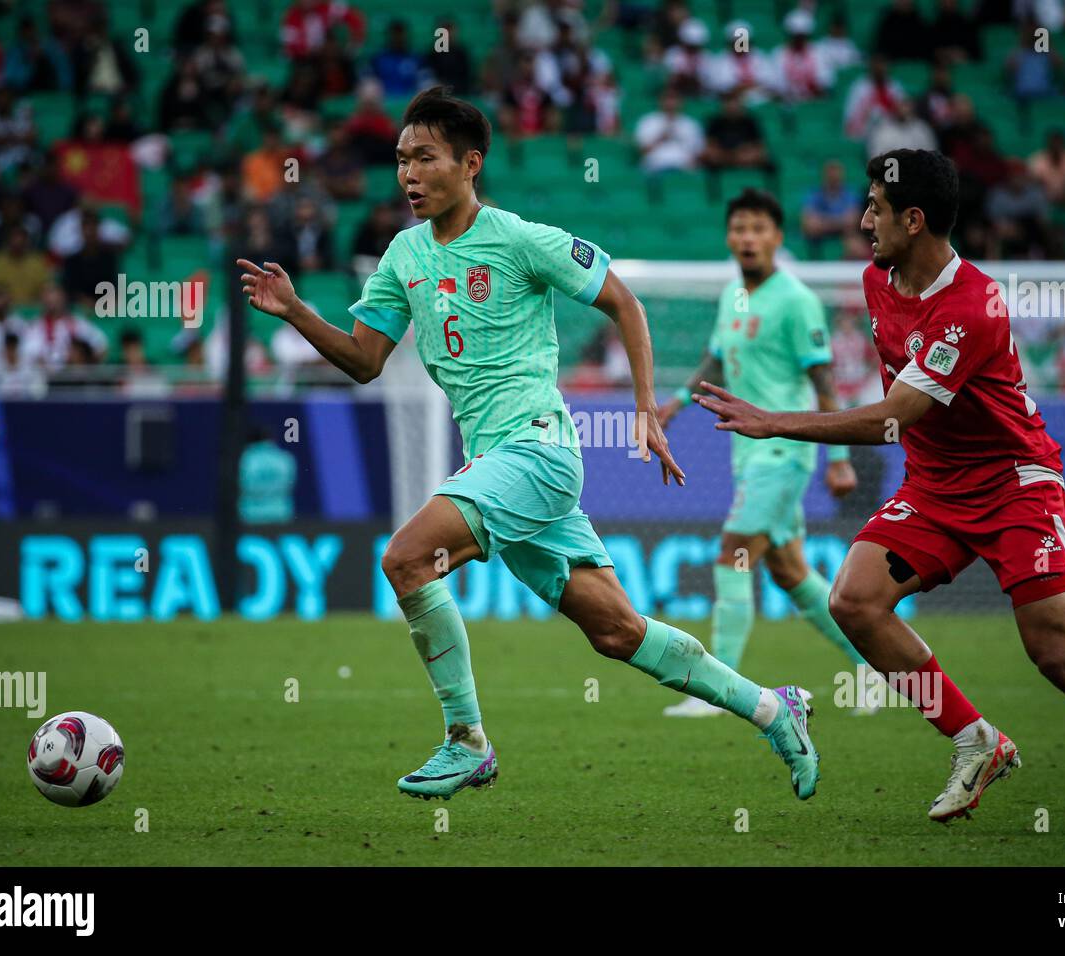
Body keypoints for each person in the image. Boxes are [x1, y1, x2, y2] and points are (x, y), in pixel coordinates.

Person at [237, 86, 821, 802]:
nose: (408, 175)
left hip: (539, 450)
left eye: (425, 158)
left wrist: (646, 405)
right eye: (400, 160)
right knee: (616, 631)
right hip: (496, 466)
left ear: (470, 163)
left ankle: (466, 741)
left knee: (407, 558)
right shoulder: (402, 255)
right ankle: (772, 708)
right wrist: (296, 310)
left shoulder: (519, 239)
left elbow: (623, 301)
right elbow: (364, 360)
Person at [692, 148, 1065, 838]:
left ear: (915, 218)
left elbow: (890, 417)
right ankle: (975, 740)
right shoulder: (879, 282)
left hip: (1015, 483)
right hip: (935, 487)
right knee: (855, 600)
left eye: (875, 207)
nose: (864, 219)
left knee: (1057, 654)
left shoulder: (973, 308)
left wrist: (773, 420)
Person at [655, 189, 865, 719]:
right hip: (747, 455)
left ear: (778, 237)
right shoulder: (733, 296)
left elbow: (824, 380)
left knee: (732, 553)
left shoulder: (795, 299)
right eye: (739, 228)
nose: (747, 238)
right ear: (729, 236)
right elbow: (718, 358)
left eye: (758, 228)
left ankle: (719, 691)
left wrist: (838, 458)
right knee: (791, 571)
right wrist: (676, 404)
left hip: (785, 451)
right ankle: (873, 668)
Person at [239, 423, 297, 523]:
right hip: (280, 513)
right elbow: (289, 484)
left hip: (250, 514)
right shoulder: (285, 458)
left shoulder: (244, 459)